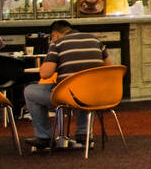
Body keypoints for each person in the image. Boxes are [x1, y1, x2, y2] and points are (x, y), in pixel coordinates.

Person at [24, 19, 112, 152]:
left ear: (55, 35)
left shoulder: (58, 43)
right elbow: (109, 67)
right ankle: (84, 134)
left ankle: (44, 137)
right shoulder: (96, 41)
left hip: (66, 96)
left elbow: (45, 74)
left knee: (30, 91)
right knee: (85, 85)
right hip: (93, 94)